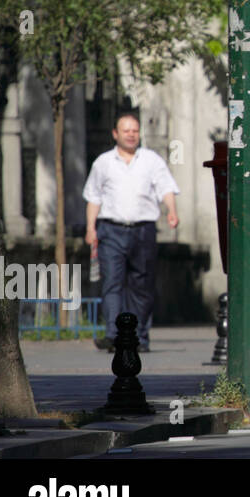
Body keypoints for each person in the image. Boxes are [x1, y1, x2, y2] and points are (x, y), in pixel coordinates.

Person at [83, 112, 179, 352]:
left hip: (143, 231)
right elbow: (94, 197)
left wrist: (171, 211)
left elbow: (166, 187)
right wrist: (90, 228)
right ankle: (115, 336)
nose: (131, 135)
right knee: (112, 284)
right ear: (116, 134)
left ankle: (139, 337)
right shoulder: (103, 162)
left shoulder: (151, 160)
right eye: (126, 130)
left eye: (134, 130)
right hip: (111, 230)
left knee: (142, 286)